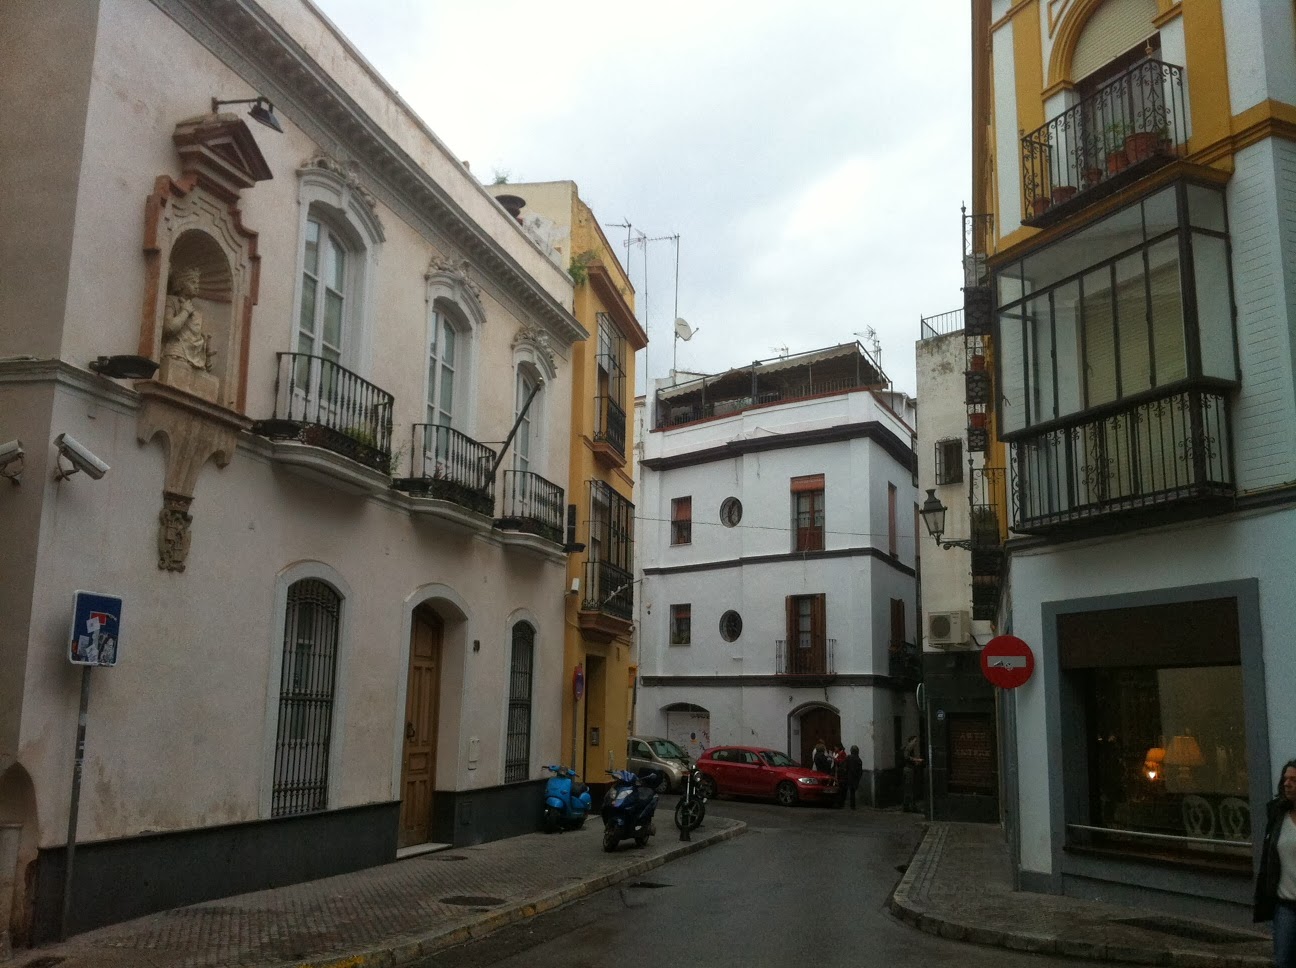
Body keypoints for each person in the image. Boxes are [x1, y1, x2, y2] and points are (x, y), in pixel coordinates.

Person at [1255, 759, 1296, 968]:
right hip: (1286, 906)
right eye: (1285, 779)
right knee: (1283, 961)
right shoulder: (1278, 816)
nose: (1287, 784)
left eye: (1294, 780)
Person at [162, 267, 211, 371]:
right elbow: (169, 328)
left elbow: (197, 337)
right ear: (181, 284)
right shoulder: (171, 301)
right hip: (177, 351)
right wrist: (185, 311)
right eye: (192, 282)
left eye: (197, 283)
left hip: (196, 358)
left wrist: (206, 352)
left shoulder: (198, 312)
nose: (196, 286)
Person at [902, 735, 924, 813]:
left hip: (909, 769)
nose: (915, 743)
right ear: (911, 741)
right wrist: (916, 760)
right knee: (910, 788)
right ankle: (912, 806)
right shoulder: (908, 748)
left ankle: (907, 806)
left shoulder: (909, 748)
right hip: (909, 770)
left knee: (909, 789)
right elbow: (906, 757)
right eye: (914, 741)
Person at [844, 745, 864, 810]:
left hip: (849, 776)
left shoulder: (848, 758)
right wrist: (858, 777)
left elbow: (845, 767)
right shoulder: (858, 759)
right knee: (853, 791)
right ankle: (852, 805)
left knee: (850, 791)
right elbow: (860, 770)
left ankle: (849, 804)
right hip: (855, 777)